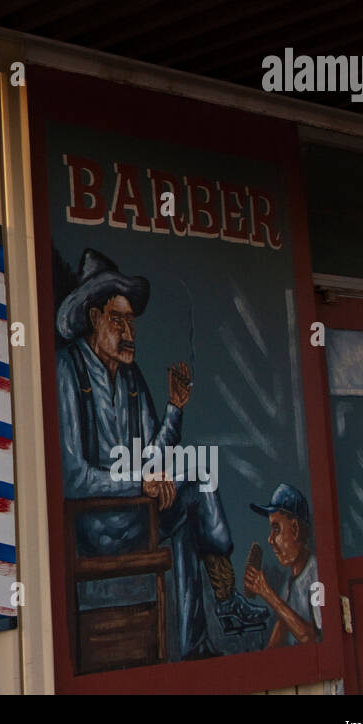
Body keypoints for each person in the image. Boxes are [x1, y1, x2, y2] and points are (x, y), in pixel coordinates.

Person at [56, 248, 269, 662]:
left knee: (194, 487)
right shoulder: (68, 371)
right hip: (94, 524)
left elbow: (152, 457)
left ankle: (197, 642)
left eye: (132, 321)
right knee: (186, 498)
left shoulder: (132, 379)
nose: (129, 332)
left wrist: (174, 409)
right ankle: (223, 603)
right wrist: (143, 483)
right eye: (118, 320)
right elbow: (72, 477)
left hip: (135, 515)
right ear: (95, 318)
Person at [243, 483, 321, 647]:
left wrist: (267, 593)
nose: (270, 539)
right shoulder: (289, 583)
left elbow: (314, 638)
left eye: (276, 529)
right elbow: (282, 626)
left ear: (295, 529)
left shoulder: (317, 575)